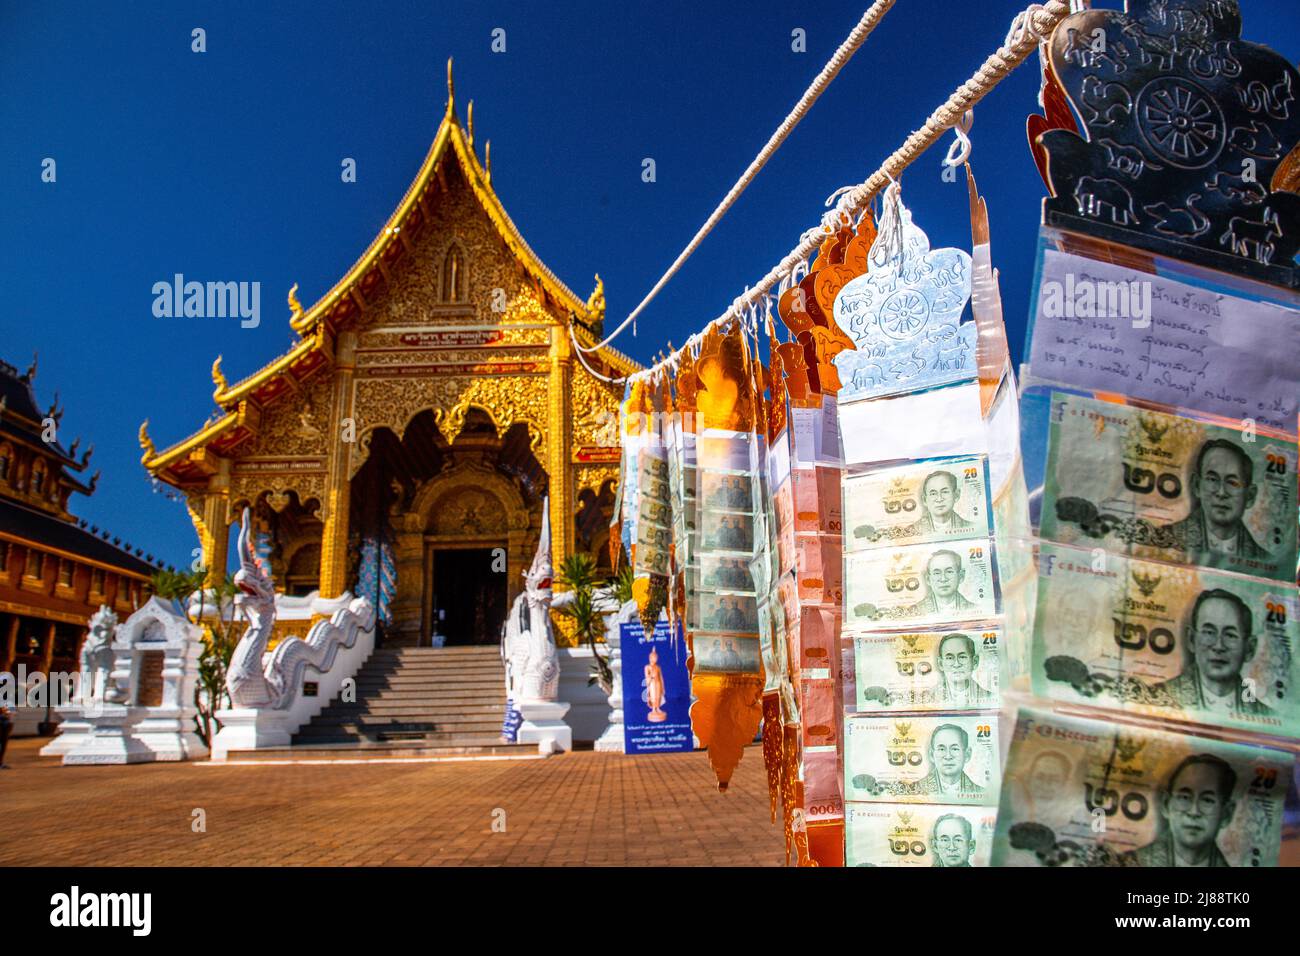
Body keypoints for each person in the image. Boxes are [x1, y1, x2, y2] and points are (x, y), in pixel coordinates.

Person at [1154, 588, 1272, 715]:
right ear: (1192, 640)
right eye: (1209, 633)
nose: (1218, 646)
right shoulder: (1157, 697)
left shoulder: (1265, 714)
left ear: (1249, 648)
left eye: (1230, 635)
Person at [1120, 754, 1237, 867]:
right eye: (1184, 797)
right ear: (1166, 804)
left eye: (1207, 800)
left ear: (1226, 814)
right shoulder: (1127, 863)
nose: (1193, 812)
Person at [1166, 439, 1268, 560]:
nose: (1221, 493)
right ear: (1197, 486)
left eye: (1232, 483)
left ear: (1250, 496)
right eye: (1212, 479)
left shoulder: (1264, 559)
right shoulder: (1165, 539)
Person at [917, 724, 984, 797]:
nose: (948, 756)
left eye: (955, 749)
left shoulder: (982, 792)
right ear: (931, 755)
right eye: (941, 749)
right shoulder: (915, 790)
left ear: (967, 754)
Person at [907, 550, 977, 618]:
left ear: (961, 576)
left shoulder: (975, 609)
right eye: (937, 573)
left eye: (949, 572)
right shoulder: (913, 611)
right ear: (928, 579)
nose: (943, 579)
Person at [936, 633, 994, 706]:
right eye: (950, 658)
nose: (956, 664)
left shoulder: (989, 696)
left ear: (975, 662)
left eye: (962, 657)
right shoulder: (928, 696)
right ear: (940, 664)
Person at [909, 470, 974, 535]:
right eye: (933, 494)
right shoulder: (910, 531)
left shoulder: (971, 527)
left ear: (956, 495)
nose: (939, 499)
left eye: (945, 492)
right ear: (924, 500)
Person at [0, 706, 13, 770]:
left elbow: (11, 711)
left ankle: (0, 763)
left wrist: (8, 712)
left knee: (3, 744)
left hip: (6, 721)